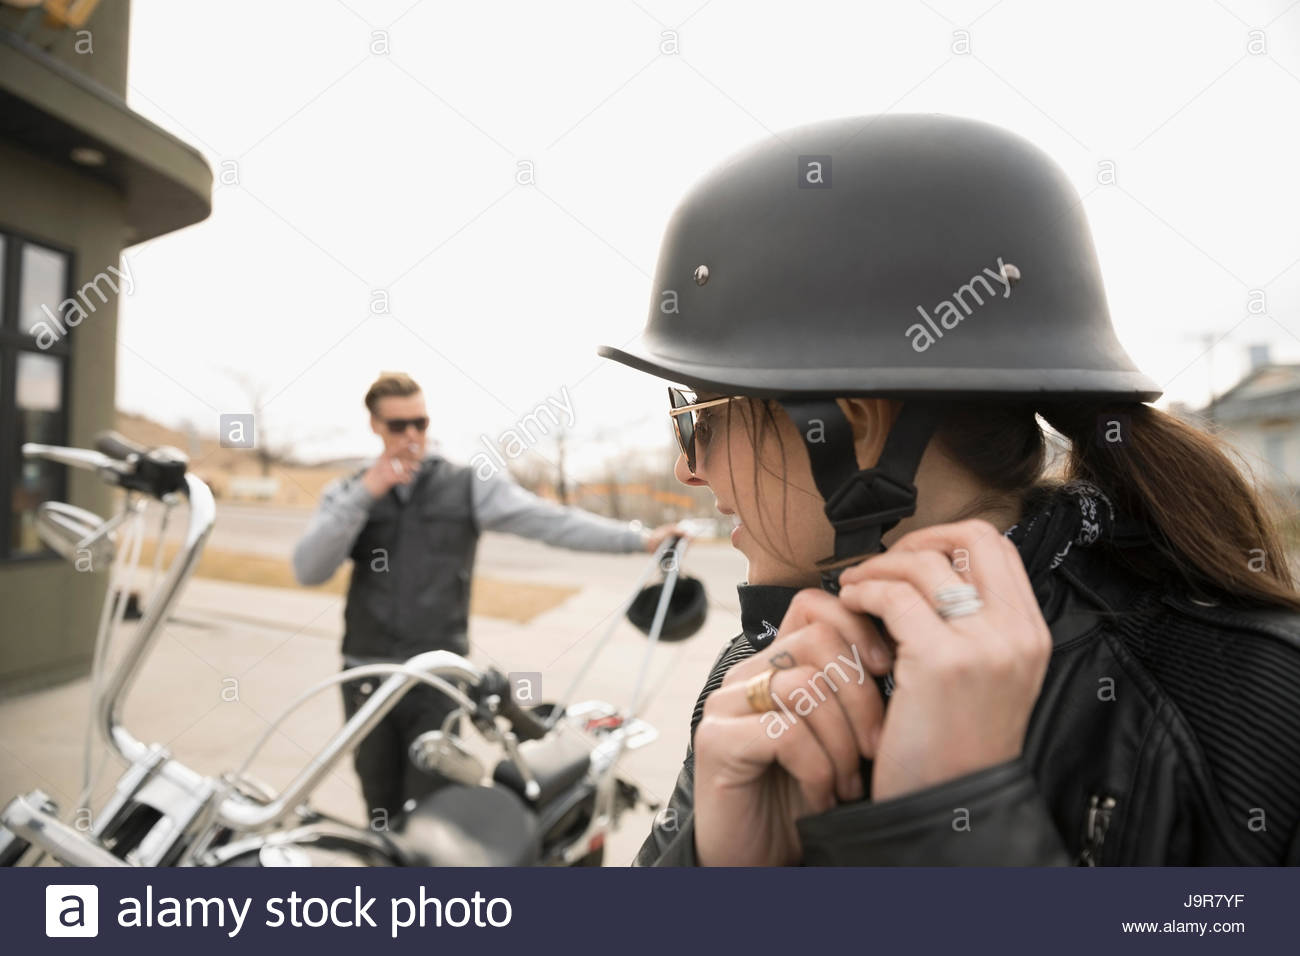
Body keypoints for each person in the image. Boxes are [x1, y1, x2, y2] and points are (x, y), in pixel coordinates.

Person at [598, 114, 1300, 865]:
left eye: (695, 416)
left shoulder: (1258, 703)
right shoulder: (764, 672)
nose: (688, 469)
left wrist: (959, 831)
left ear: (847, 427)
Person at [292, 371, 678, 824]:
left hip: (437, 678)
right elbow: (309, 569)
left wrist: (640, 540)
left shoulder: (467, 484)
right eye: (399, 426)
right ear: (375, 425)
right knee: (379, 800)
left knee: (432, 806)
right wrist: (365, 494)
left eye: (421, 422)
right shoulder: (347, 491)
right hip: (366, 673)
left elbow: (549, 522)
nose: (413, 436)